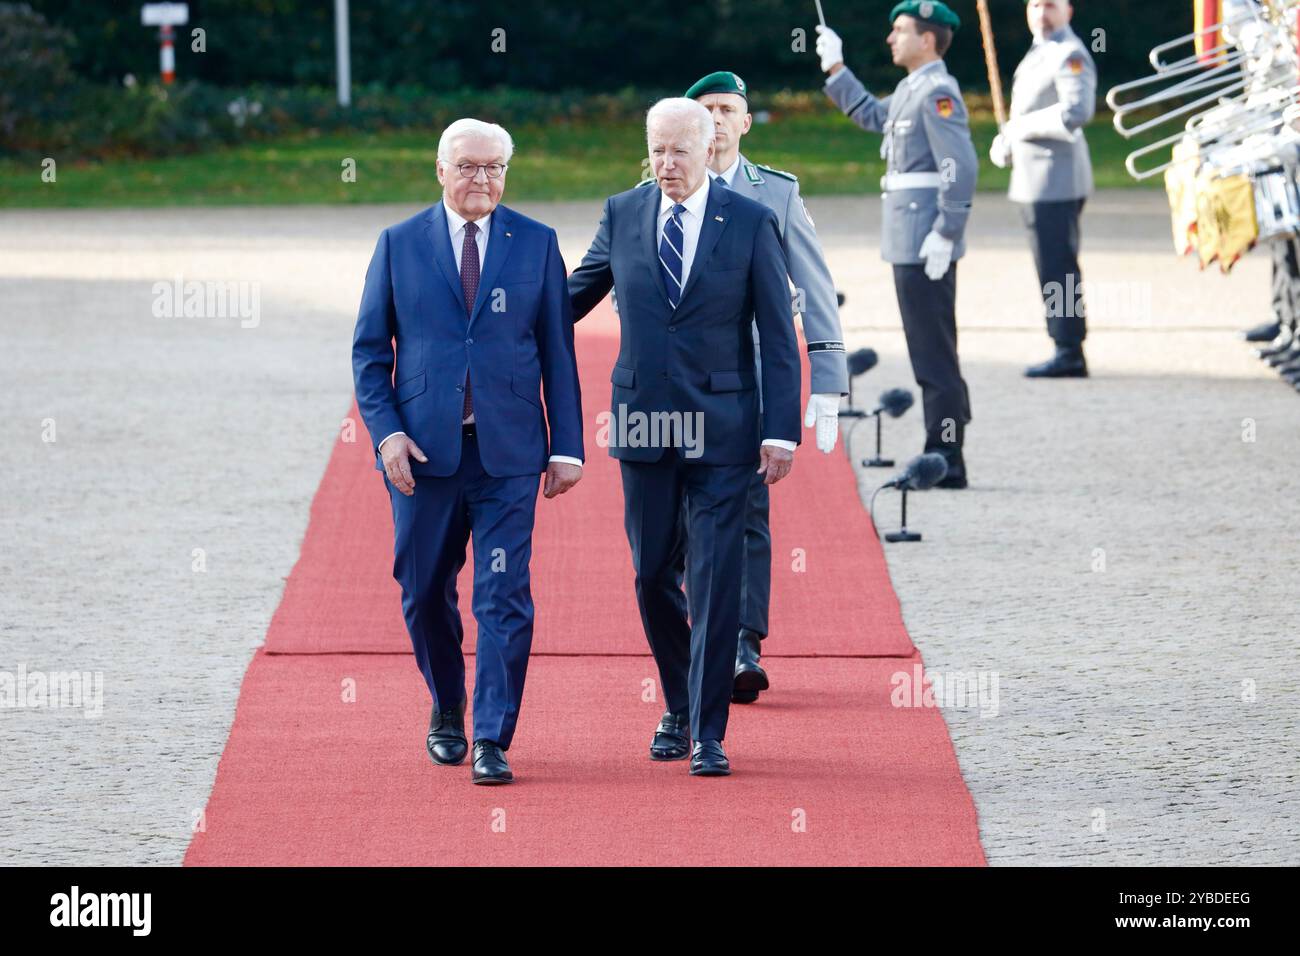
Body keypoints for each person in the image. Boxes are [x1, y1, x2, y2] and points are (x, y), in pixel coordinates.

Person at [568, 98, 802, 776]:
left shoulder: (752, 221)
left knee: (716, 575)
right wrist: (495, 313)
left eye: (679, 151)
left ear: (709, 150)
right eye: (657, 151)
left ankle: (706, 729)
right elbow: (571, 298)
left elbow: (777, 338)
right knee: (649, 576)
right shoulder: (624, 213)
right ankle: (676, 699)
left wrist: (780, 430)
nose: (667, 164)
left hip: (725, 428)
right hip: (644, 420)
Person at [351, 118, 584, 785]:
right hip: (424, 456)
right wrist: (387, 432)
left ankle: (491, 736)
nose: (482, 179)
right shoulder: (398, 245)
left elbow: (558, 355)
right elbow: (370, 353)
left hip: (509, 454)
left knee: (503, 593)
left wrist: (567, 444)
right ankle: (447, 704)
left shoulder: (536, 244)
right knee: (423, 590)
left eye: (494, 168)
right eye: (469, 167)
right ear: (440, 169)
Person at [684, 69, 849, 703]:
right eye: (706, 110)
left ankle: (742, 642)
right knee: (680, 519)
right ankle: (698, 635)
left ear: (746, 121)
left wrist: (826, 376)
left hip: (749, 378)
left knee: (748, 508)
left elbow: (813, 284)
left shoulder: (775, 195)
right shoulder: (662, 187)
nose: (717, 120)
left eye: (728, 109)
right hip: (680, 385)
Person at [816, 1, 977, 488]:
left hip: (925, 238)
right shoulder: (913, 89)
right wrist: (836, 68)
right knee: (929, 348)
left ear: (928, 39)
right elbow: (871, 115)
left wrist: (947, 231)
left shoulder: (938, 92)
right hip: (910, 238)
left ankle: (946, 454)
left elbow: (960, 167)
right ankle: (944, 449)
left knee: (934, 353)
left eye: (901, 30)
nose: (891, 38)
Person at [990, 0, 1097, 378]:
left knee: (1058, 270)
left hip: (1057, 180)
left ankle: (1069, 349)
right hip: (1036, 179)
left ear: (1069, 10)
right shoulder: (1040, 52)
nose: (1041, 13)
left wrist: (1020, 129)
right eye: (1035, 5)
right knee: (1051, 268)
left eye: (1050, 5)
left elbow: (1077, 110)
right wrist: (1010, 139)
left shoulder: (1069, 53)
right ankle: (1064, 343)